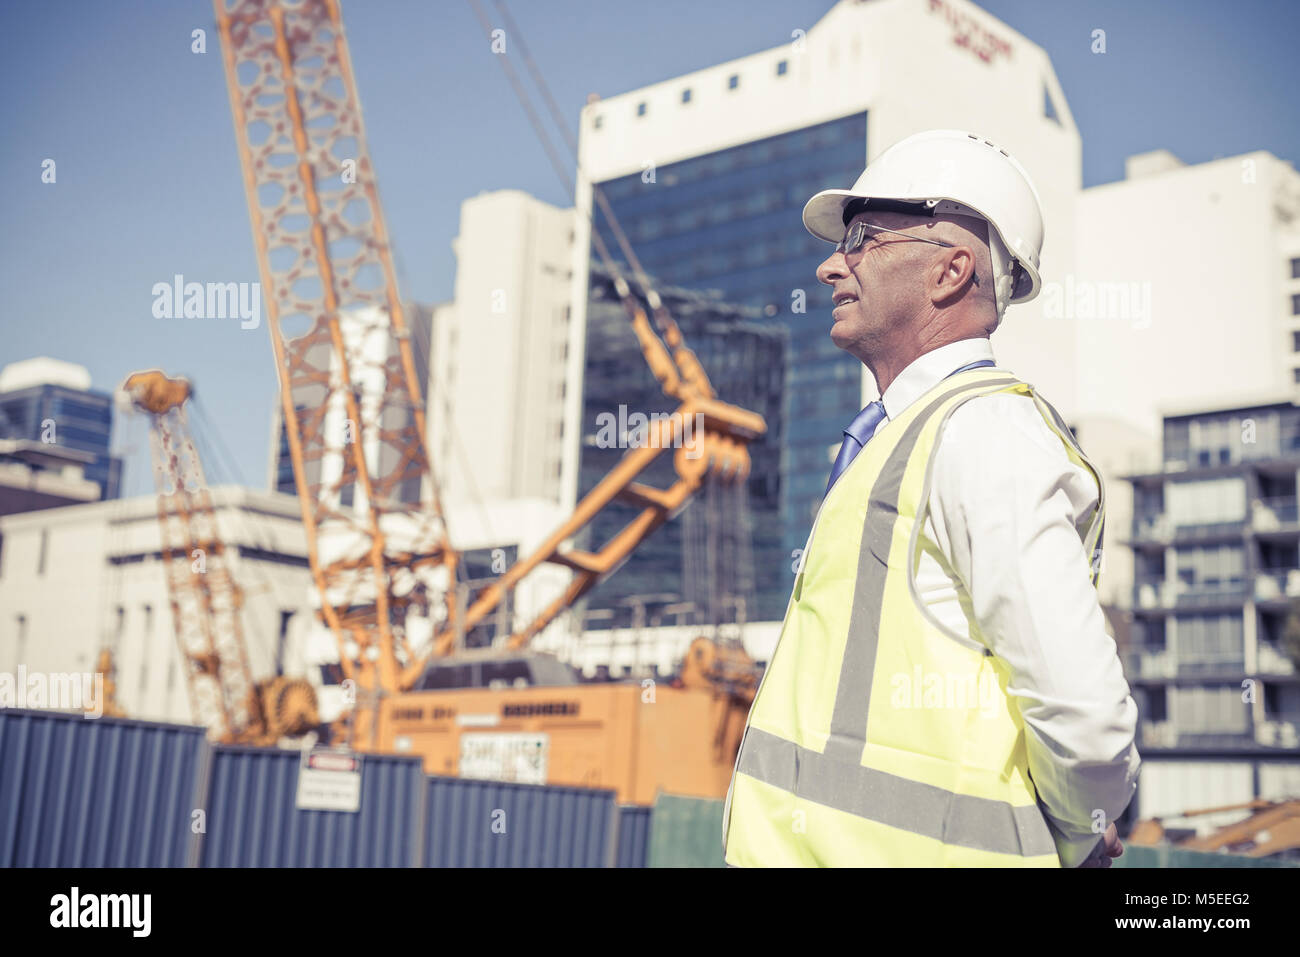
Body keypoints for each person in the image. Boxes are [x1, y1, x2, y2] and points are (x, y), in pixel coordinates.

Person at [722, 130, 1140, 868]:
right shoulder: (901, 441)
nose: (829, 266)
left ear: (950, 271)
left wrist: (1074, 837)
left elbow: (1087, 720)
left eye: (863, 239)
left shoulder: (986, 434)